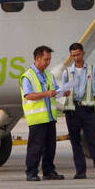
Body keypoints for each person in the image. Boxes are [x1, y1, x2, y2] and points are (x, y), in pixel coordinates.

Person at [58, 42, 95, 179]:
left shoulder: (92, 70)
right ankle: (80, 171)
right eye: (73, 55)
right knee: (75, 141)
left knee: (93, 140)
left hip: (87, 109)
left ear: (83, 53)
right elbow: (64, 90)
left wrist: (92, 104)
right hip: (72, 109)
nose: (76, 58)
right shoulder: (67, 72)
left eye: (78, 54)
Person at [20, 45, 63, 181]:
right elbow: (28, 96)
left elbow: (54, 90)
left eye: (49, 59)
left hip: (50, 117)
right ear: (37, 58)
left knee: (50, 147)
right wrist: (46, 94)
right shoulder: (27, 76)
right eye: (46, 59)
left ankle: (49, 171)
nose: (48, 62)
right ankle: (31, 172)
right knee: (35, 147)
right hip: (37, 118)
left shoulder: (49, 75)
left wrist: (62, 91)